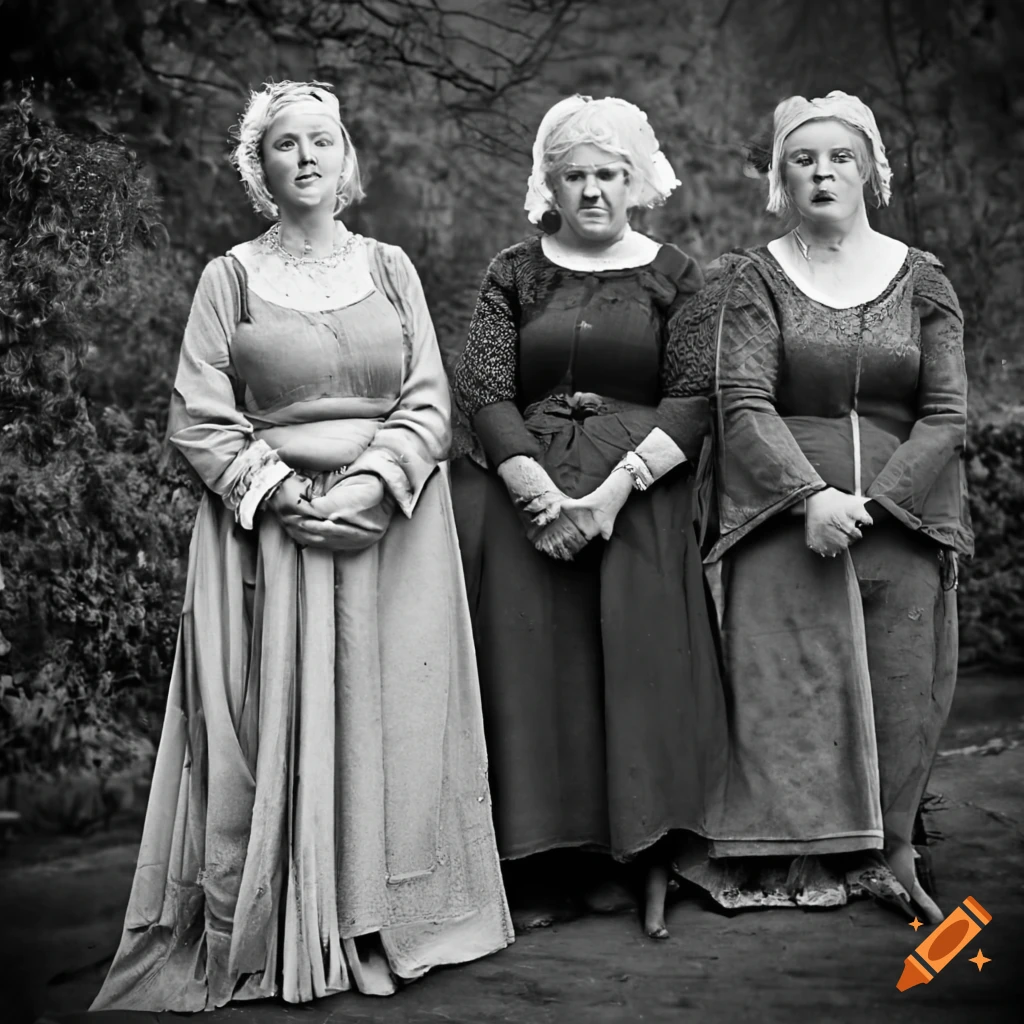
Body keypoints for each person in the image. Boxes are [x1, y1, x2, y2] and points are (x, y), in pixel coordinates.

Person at [91, 80, 512, 1012]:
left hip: (393, 527)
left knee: (391, 715)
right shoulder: (230, 278)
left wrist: (370, 486)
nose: (307, 156)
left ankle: (374, 918)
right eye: (286, 144)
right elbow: (199, 414)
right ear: (260, 167)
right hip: (272, 535)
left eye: (323, 140)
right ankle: (291, 918)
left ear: (347, 158)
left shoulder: (391, 268)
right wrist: (282, 496)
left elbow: (429, 397)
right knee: (281, 718)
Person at [673, 90, 972, 925]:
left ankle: (893, 842)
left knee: (904, 673)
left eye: (841, 157)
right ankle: (797, 837)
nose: (823, 172)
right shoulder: (754, 278)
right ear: (781, 177)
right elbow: (742, 402)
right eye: (803, 159)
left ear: (870, 170)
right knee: (786, 669)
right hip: (783, 512)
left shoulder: (923, 279)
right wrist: (809, 498)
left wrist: (879, 502)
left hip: (903, 514)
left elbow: (946, 413)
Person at [450, 95, 727, 940]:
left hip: (636, 506)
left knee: (635, 667)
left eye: (609, 174)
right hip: (525, 509)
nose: (593, 190)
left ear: (636, 180)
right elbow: (484, 387)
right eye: (575, 176)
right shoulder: (513, 272)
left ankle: (635, 852)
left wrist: (609, 498)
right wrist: (535, 490)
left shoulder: (677, 274)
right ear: (551, 184)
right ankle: (540, 862)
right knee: (531, 669)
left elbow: (693, 398)